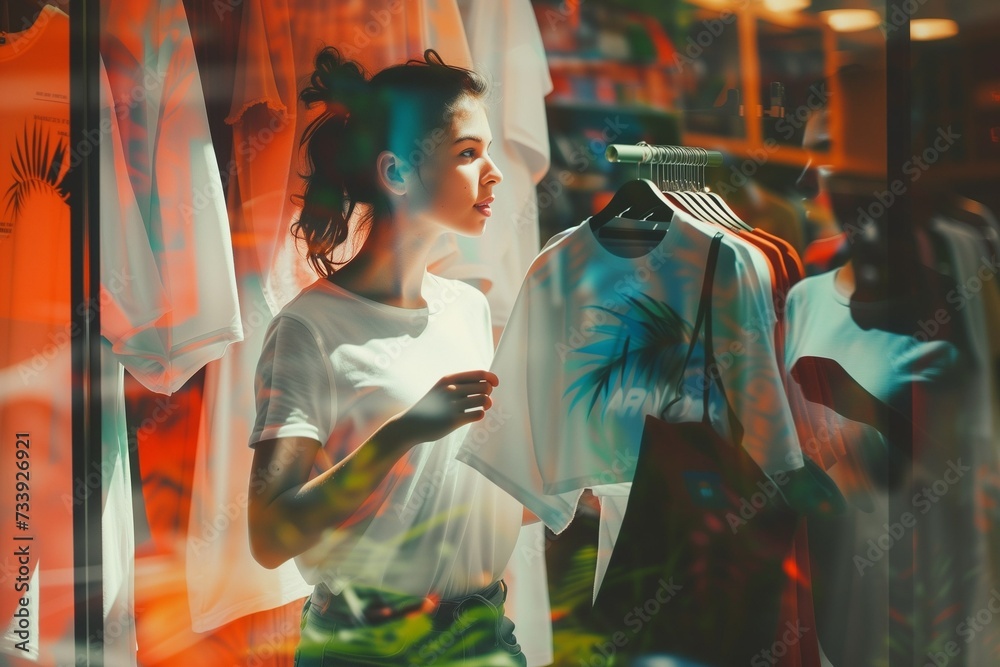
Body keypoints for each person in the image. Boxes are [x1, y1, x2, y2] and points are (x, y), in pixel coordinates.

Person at [246, 47, 527, 666]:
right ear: (398, 174)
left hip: (484, 637)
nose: (494, 172)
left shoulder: (468, 310)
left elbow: (458, 497)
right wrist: (400, 434)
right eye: (467, 152)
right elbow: (269, 537)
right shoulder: (308, 329)